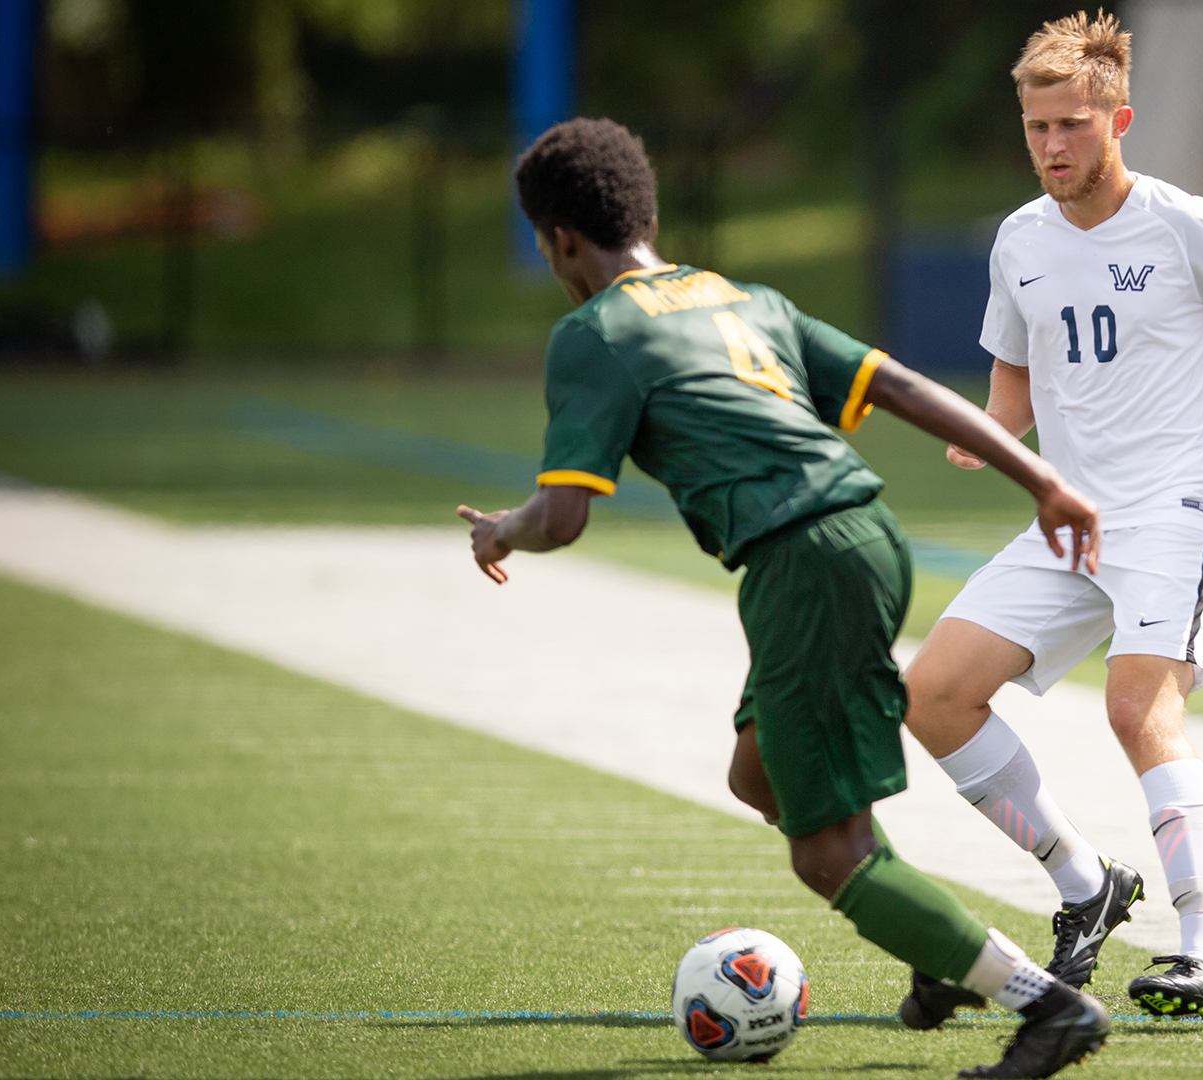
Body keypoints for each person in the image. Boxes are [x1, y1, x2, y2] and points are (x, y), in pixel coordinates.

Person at [458, 117, 1112, 1079]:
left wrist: (500, 532)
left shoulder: (595, 333)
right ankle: (939, 952)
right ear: (646, 211)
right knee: (758, 777)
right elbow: (893, 382)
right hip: (861, 540)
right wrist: (1040, 477)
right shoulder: (741, 298)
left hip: (804, 562)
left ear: (559, 239)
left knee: (825, 853)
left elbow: (561, 519)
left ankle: (1047, 1006)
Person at [899, 11, 1203, 1028]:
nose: (1053, 146)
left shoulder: (1184, 223)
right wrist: (994, 433)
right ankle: (1087, 886)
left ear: (1119, 118)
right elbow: (1015, 371)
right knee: (933, 695)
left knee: (1137, 709)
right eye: (1038, 128)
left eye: (1073, 126)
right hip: (1068, 520)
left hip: (1178, 509)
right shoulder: (1019, 240)